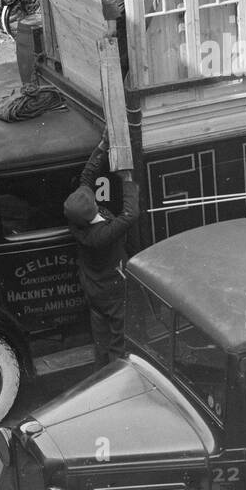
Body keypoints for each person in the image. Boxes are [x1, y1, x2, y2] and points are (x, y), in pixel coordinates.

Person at [63, 133, 140, 367]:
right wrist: (127, 180)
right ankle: (116, 375)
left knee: (101, 335)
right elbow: (130, 215)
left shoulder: (77, 221)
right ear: (94, 205)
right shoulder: (101, 235)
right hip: (112, 289)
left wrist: (102, 146)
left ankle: (100, 370)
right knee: (118, 337)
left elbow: (87, 177)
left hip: (93, 285)